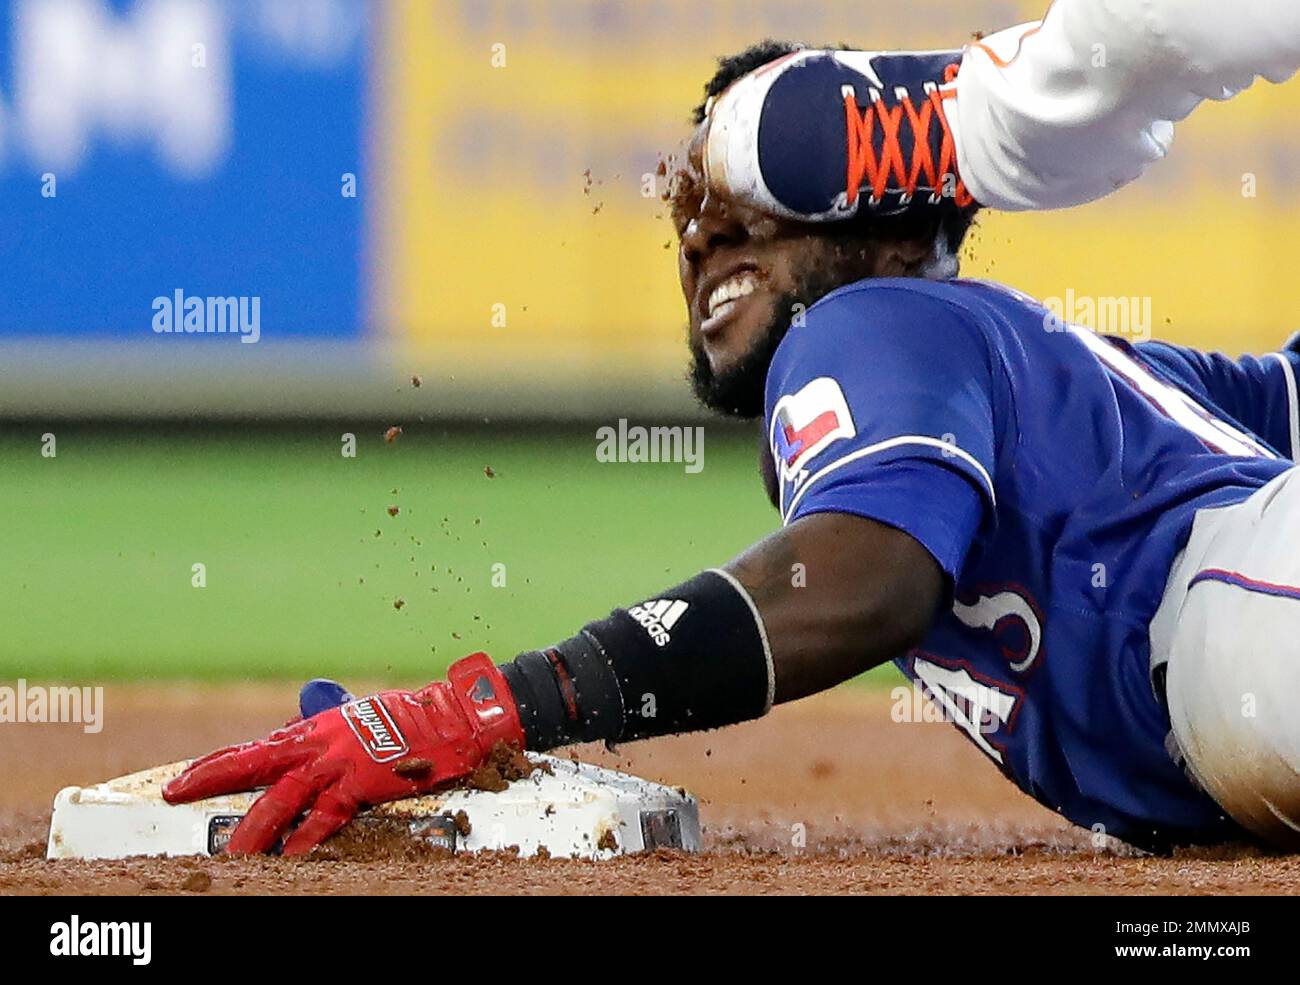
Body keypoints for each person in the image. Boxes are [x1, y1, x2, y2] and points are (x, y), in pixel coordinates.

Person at [164, 0, 1300, 853]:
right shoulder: (1090, 386)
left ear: (891, 226)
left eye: (745, 209)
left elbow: (865, 577)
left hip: (1233, 632)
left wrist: (486, 706)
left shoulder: (868, 320)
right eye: (690, 224)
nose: (703, 244)